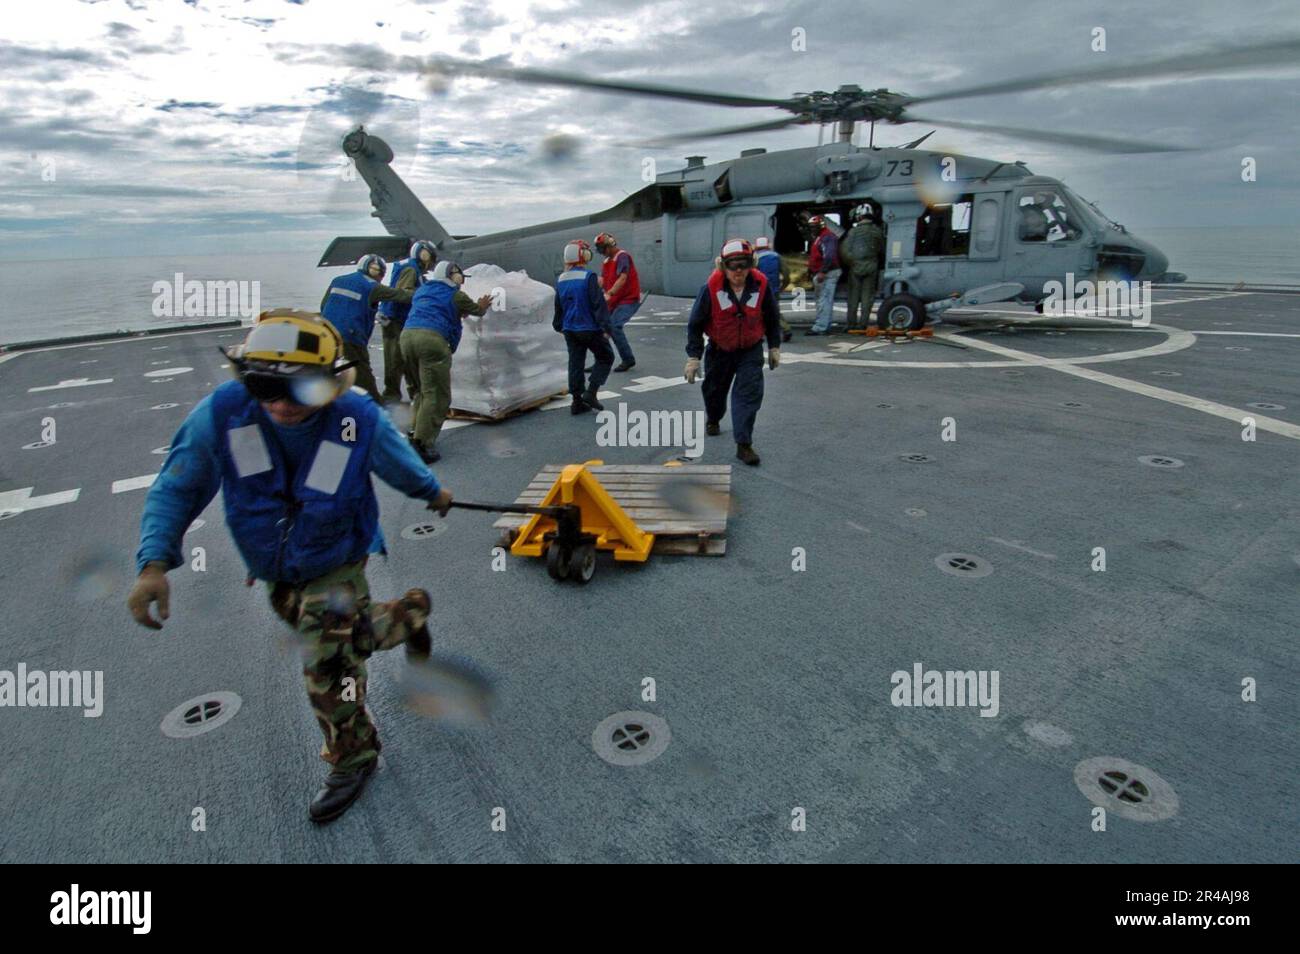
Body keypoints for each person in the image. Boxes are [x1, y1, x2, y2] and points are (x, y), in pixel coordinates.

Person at [126, 312, 455, 824]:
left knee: (326, 657)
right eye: (265, 386)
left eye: (299, 390)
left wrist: (432, 492)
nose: (280, 403)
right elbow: (179, 484)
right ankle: (409, 615)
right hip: (276, 564)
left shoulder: (354, 419)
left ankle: (354, 757)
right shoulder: (225, 414)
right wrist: (153, 563)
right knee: (345, 637)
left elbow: (398, 463)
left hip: (339, 555)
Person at [684, 238, 782, 466]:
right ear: (723, 266)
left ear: (752, 263)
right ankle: (714, 417)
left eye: (744, 264)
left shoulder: (761, 284)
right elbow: (695, 323)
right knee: (714, 392)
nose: (738, 271)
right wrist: (693, 356)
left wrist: (774, 345)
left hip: (750, 349)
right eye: (732, 265)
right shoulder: (710, 289)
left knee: (749, 394)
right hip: (720, 349)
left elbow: (772, 316)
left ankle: (744, 445)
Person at [399, 261, 492, 464]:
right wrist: (483, 305)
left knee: (420, 391)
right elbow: (477, 310)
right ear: (449, 275)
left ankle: (414, 433)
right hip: (431, 341)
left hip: (406, 338)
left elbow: (438, 309)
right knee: (437, 395)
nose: (461, 277)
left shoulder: (422, 291)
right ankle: (423, 444)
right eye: (458, 273)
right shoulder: (455, 294)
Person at [319, 254, 413, 403]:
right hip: (351, 339)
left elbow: (323, 306)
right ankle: (376, 411)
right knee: (363, 377)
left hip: (326, 335)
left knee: (330, 371)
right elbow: (401, 296)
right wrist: (424, 291)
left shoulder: (337, 280)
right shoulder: (372, 287)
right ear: (380, 273)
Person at [554, 240, 614, 414]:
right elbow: (598, 304)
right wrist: (606, 328)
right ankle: (591, 392)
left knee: (576, 363)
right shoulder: (589, 277)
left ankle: (576, 402)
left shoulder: (561, 279)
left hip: (569, 329)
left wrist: (558, 325)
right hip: (589, 328)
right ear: (582, 255)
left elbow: (559, 305)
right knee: (605, 357)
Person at [377, 240, 437, 403]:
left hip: (395, 317)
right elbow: (403, 293)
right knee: (397, 358)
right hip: (395, 318)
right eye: (429, 257)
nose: (430, 262)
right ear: (423, 254)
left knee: (400, 357)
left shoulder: (409, 266)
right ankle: (392, 395)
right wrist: (425, 293)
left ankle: (411, 392)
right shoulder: (411, 269)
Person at [594, 232, 640, 372]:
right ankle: (601, 360)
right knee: (600, 329)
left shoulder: (622, 257)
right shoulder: (606, 262)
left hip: (628, 300)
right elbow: (602, 280)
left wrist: (610, 293)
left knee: (614, 326)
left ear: (609, 246)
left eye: (603, 249)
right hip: (613, 302)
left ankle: (628, 359)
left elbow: (622, 278)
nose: (602, 253)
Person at [840, 209, 885, 331]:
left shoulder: (853, 232)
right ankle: (863, 324)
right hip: (871, 267)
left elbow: (844, 250)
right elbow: (881, 249)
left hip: (855, 267)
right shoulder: (877, 231)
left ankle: (851, 324)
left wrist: (852, 262)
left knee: (853, 297)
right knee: (867, 297)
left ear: (859, 217)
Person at [805, 215, 841, 336]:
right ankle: (824, 324)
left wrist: (822, 271)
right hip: (825, 272)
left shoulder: (827, 237)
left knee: (824, 300)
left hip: (828, 273)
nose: (812, 229)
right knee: (823, 300)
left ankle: (821, 327)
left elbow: (829, 255)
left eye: (814, 227)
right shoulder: (821, 237)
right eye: (811, 227)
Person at [752, 236, 792, 342]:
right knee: (774, 310)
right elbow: (786, 274)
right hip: (774, 289)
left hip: (760, 289)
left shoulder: (755, 258)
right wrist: (783, 286)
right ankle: (786, 329)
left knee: (758, 311)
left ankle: (759, 334)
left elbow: (752, 274)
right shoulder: (776, 256)